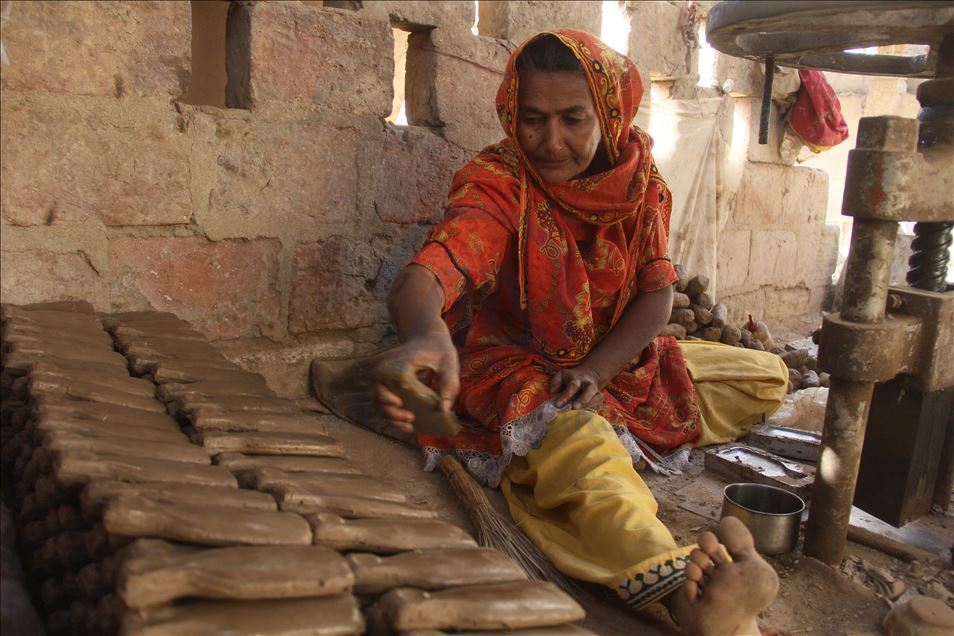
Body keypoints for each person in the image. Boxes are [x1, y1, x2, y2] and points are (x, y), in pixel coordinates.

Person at [373, 30, 787, 635]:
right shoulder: (499, 183)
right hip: (517, 373)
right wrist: (425, 331)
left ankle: (616, 438)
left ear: (610, 114)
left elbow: (655, 294)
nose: (550, 141)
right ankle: (685, 596)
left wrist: (597, 370)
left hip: (608, 366)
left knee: (762, 376)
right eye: (533, 119)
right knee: (583, 456)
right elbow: (431, 271)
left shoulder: (643, 185)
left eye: (573, 119)